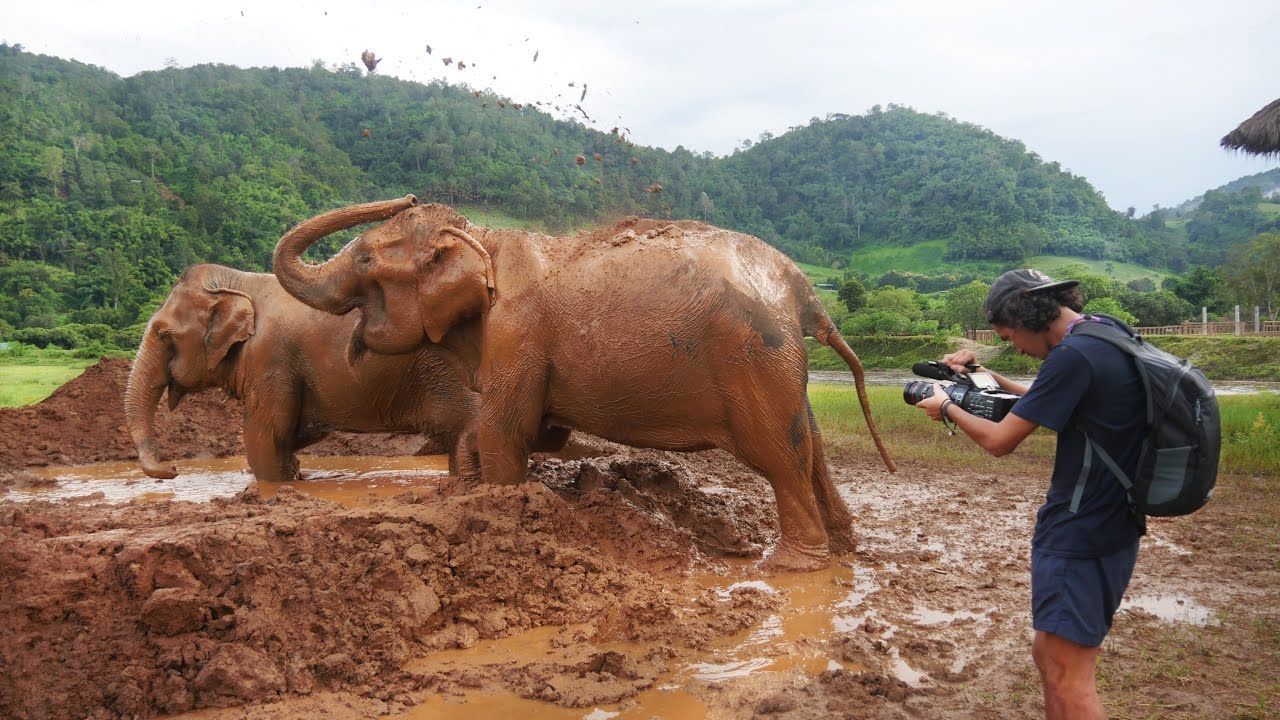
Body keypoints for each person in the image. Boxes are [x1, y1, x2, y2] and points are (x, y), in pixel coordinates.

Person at [914, 269, 1146, 720]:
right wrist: (984, 375)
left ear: (1026, 318)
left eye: (1009, 335)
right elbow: (1041, 396)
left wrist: (946, 406)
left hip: (1083, 530)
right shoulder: (1102, 331)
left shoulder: (1073, 357)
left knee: (1067, 673)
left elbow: (1001, 441)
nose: (1014, 346)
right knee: (1049, 655)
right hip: (1110, 521)